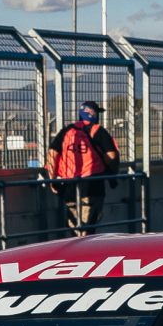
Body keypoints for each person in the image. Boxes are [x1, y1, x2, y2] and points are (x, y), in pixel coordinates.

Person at [46, 100, 120, 235]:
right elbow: (112, 155)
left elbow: (52, 154)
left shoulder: (67, 131)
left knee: (74, 227)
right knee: (88, 227)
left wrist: (52, 179)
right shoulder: (98, 130)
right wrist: (112, 172)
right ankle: (86, 252)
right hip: (93, 184)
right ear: (93, 114)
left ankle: (77, 253)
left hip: (69, 185)